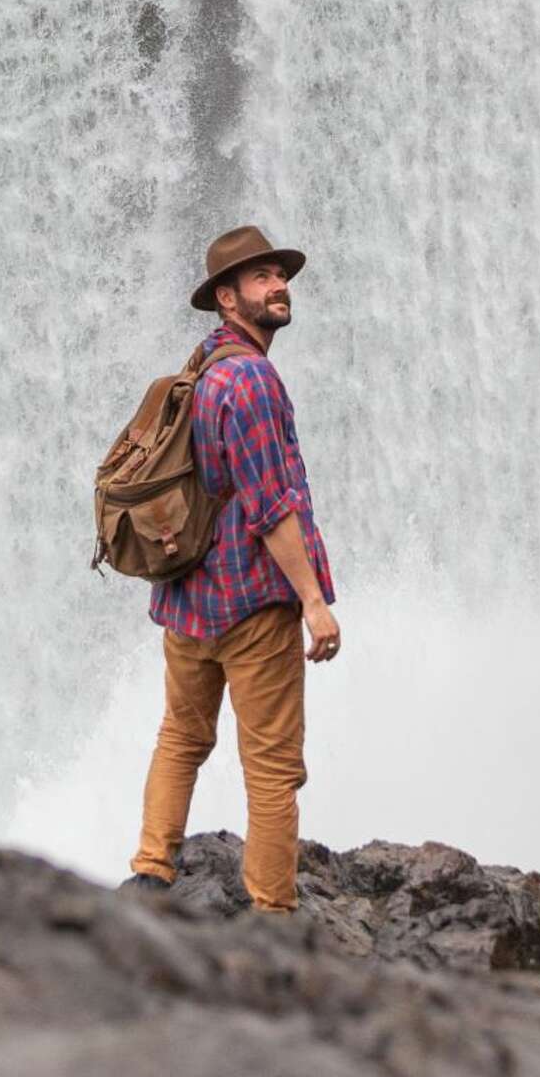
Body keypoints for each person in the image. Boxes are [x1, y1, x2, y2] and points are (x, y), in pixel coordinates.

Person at [126, 224, 340, 913]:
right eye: (260, 278)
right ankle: (271, 918)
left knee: (181, 738)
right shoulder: (249, 380)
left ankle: (151, 871)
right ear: (227, 297)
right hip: (251, 607)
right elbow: (271, 507)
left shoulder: (201, 366)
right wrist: (313, 601)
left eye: (280, 275)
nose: (279, 287)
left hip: (188, 599)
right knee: (273, 769)